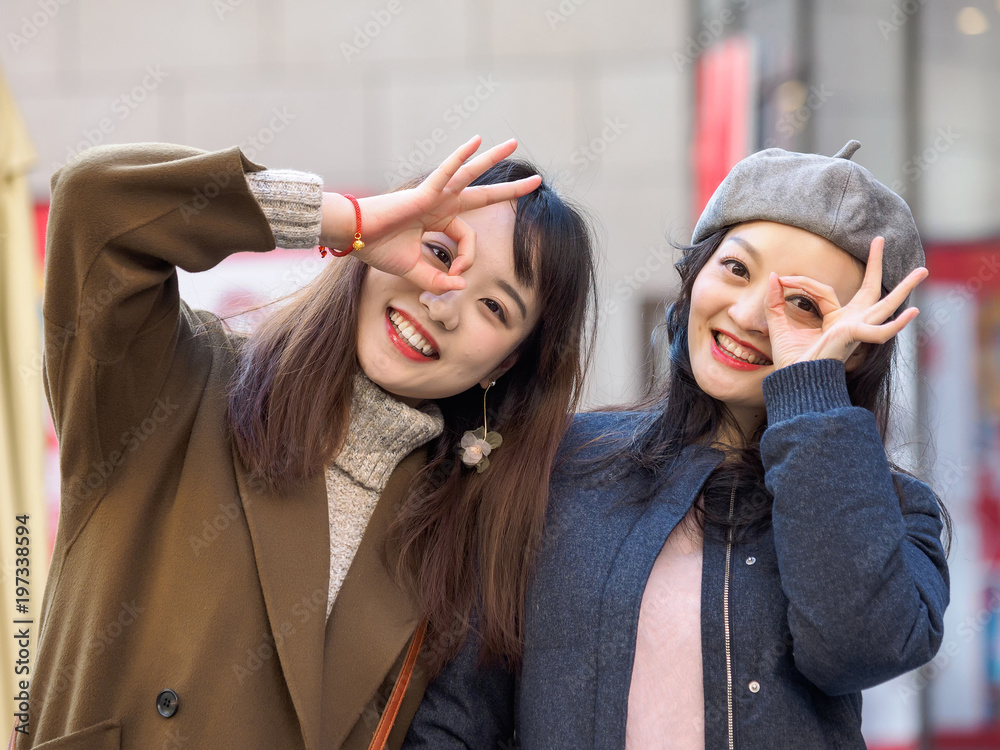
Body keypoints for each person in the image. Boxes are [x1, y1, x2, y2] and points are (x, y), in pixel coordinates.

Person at [22, 135, 596, 749]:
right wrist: (346, 219)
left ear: (502, 367)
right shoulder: (179, 383)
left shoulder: (450, 539)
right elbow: (95, 203)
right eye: (436, 250)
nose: (443, 302)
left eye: (493, 306)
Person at [403, 140, 951, 749]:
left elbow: (857, 648)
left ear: (858, 346)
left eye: (803, 305)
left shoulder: (898, 512)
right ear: (695, 273)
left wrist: (812, 396)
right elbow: (458, 716)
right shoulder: (558, 465)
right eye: (736, 269)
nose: (748, 314)